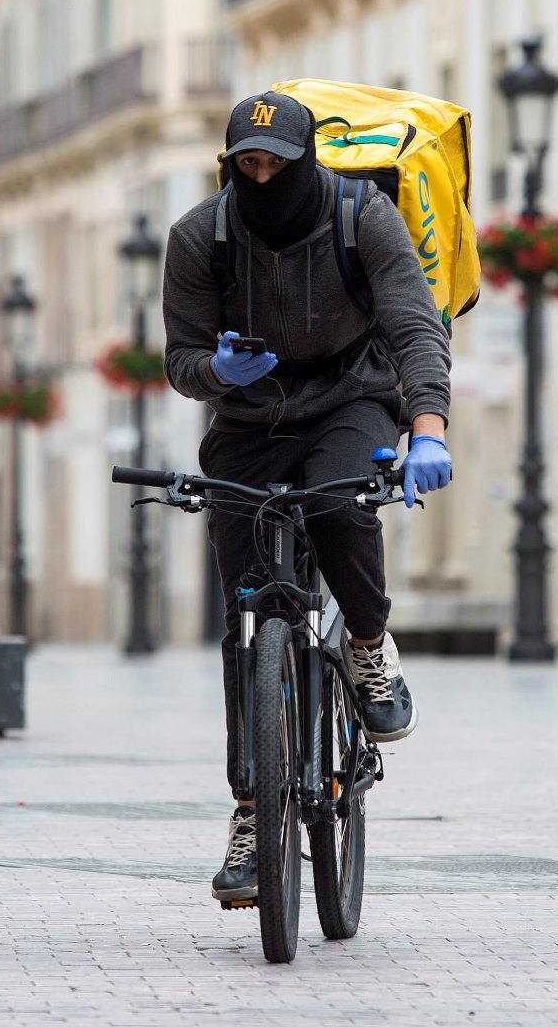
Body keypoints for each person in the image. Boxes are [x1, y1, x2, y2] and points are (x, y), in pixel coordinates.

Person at [162, 91, 454, 903]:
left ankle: (365, 646)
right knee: (246, 614)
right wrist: (218, 371)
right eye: (246, 166)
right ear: (229, 167)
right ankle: (253, 814)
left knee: (335, 506)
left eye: (276, 166)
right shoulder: (199, 237)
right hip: (248, 421)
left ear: (306, 162)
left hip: (350, 398)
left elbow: (413, 326)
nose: (262, 178)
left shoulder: (364, 219)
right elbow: (178, 358)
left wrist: (425, 427)